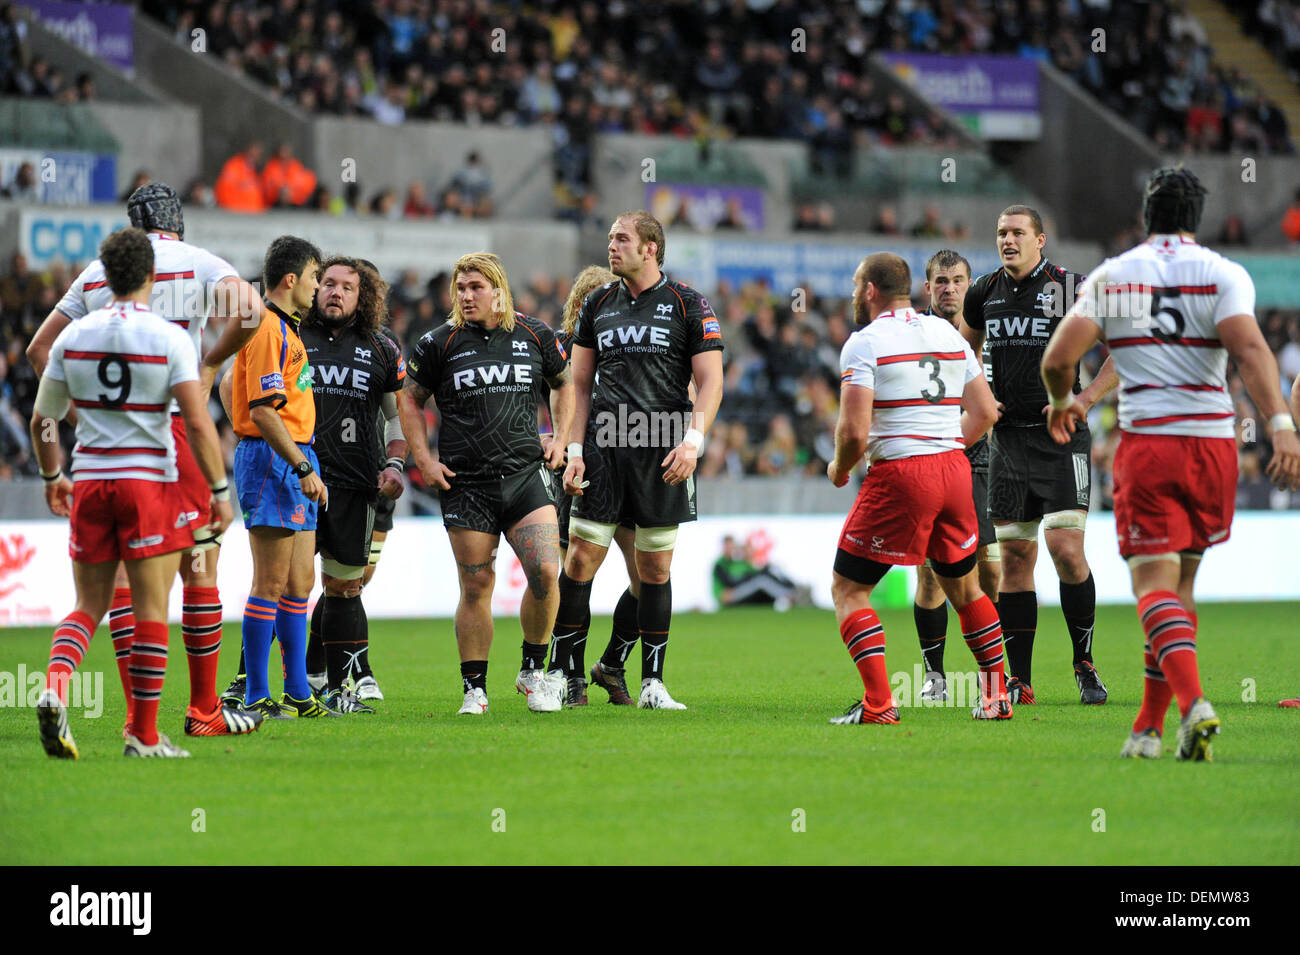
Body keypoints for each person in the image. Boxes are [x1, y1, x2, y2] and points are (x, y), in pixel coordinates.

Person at [1042, 166, 1300, 758]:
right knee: (1181, 589)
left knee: (1152, 587)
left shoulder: (1116, 276)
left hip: (1151, 444)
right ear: (1196, 218)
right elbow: (1251, 350)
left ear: (1145, 214)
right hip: (1213, 448)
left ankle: (1194, 705)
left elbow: (1059, 358)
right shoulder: (1222, 273)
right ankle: (1149, 729)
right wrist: (1281, 427)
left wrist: (1065, 402)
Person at [26, 182, 264, 739]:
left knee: (117, 593)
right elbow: (251, 313)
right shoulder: (199, 264)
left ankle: (137, 719)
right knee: (199, 566)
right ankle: (202, 710)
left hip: (103, 453)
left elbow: (39, 350)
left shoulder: (93, 275)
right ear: (177, 221)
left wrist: (88, 421)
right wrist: (208, 365)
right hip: (175, 434)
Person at [551, 210, 726, 710]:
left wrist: (693, 441)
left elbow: (712, 381)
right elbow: (579, 384)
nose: (612, 245)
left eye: (622, 238)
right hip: (604, 451)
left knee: (653, 569)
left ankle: (652, 682)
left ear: (651, 247)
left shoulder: (688, 304)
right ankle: (566, 677)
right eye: (609, 238)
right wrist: (577, 449)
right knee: (580, 559)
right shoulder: (597, 305)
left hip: (663, 452)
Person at [826, 253, 1006, 724]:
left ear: (869, 291)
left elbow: (852, 434)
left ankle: (879, 705)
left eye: (854, 285)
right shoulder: (947, 333)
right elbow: (986, 413)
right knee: (965, 589)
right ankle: (995, 696)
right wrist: (944, 444)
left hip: (904, 475)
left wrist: (840, 469)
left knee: (848, 588)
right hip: (955, 470)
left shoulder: (864, 343)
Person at [398, 252, 572, 715]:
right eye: (461, 288)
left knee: (546, 573)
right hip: (467, 483)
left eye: (476, 287)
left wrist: (563, 438)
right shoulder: (439, 342)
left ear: (498, 289)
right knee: (476, 587)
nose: (466, 295)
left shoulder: (536, 334)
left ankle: (533, 671)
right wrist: (423, 461)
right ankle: (474, 689)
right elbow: (409, 401)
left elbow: (565, 383)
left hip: (525, 474)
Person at [960, 205, 1118, 705]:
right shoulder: (982, 292)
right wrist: (978, 403)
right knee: (1016, 558)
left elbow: (1126, 349)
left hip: (1060, 439)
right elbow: (961, 355)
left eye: (1017, 233)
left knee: (1067, 552)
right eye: (1001, 232)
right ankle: (1020, 679)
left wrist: (1086, 398)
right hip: (1005, 442)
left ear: (1041, 239)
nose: (1008, 240)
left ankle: (1084, 662)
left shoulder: (1073, 288)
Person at [229, 235, 331, 719]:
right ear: (290, 280)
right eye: (314, 277)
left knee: (299, 581)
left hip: (292, 455)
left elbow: (239, 386)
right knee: (269, 581)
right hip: (276, 458)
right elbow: (263, 411)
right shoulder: (269, 328)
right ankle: (254, 696)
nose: (318, 287)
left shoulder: (284, 329)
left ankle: (296, 691)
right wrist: (303, 465)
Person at [300, 257, 407, 712]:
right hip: (297, 482)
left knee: (345, 587)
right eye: (328, 283)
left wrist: (397, 465)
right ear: (314, 288)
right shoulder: (290, 337)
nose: (336, 292)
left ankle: (341, 687)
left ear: (363, 298)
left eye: (347, 287)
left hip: (356, 487)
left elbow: (398, 420)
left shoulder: (382, 348)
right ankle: (260, 683)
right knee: (282, 585)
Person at [546, 264, 642, 706]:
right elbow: (550, 405)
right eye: (592, 300)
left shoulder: (638, 346)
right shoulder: (564, 349)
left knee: (647, 579)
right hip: (582, 468)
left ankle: (612, 663)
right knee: (576, 573)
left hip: (634, 467)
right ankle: (570, 675)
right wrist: (555, 441)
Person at [912, 250, 1002, 703]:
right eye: (941, 281)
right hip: (928, 459)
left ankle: (994, 675)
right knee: (930, 573)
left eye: (958, 280)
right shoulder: (912, 334)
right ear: (928, 288)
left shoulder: (989, 329)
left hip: (980, 455)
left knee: (989, 566)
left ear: (971, 286)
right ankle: (934, 675)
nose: (949, 288)